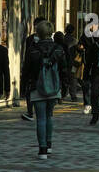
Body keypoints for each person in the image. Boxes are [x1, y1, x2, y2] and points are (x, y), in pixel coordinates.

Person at [28, 20, 69, 159]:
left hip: (37, 86)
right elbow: (64, 69)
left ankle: (42, 149)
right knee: (49, 116)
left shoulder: (33, 49)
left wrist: (26, 86)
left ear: (38, 32)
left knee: (40, 118)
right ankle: (49, 145)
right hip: (54, 86)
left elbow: (27, 69)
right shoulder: (58, 48)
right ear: (51, 32)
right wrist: (64, 87)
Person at [20, 17, 45, 121]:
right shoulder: (30, 39)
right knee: (30, 91)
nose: (37, 27)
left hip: (44, 71)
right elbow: (27, 56)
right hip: (32, 71)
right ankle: (30, 112)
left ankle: (40, 113)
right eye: (36, 25)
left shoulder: (49, 41)